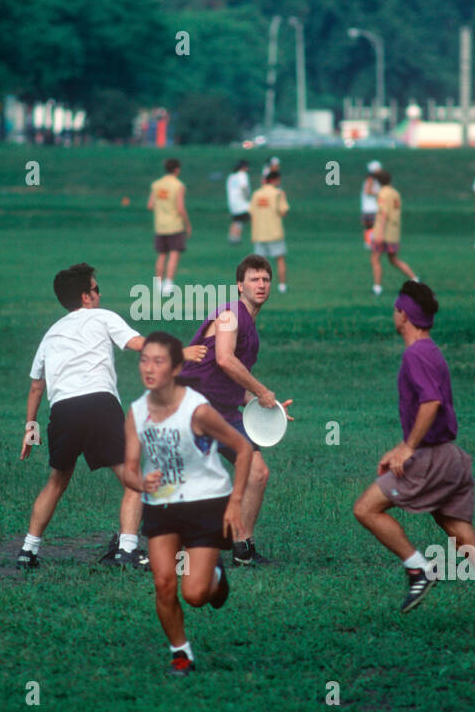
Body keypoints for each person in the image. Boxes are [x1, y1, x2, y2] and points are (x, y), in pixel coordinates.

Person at [351, 282, 475, 636]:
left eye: (395, 309)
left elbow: (431, 402)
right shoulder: (431, 350)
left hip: (431, 459)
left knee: (365, 509)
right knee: (464, 537)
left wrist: (408, 449)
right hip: (450, 456)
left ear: (403, 315)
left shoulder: (414, 354)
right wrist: (402, 445)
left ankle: (419, 569)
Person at [121, 332, 253, 675]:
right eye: (144, 360)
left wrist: (236, 501)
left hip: (206, 502)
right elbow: (130, 472)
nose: (149, 368)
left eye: (158, 361)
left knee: (194, 594)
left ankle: (216, 575)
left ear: (177, 368)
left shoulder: (197, 409)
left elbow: (243, 448)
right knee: (163, 582)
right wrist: (140, 482)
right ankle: (181, 653)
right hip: (162, 506)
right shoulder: (136, 413)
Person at [20, 263, 149, 569]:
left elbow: (37, 386)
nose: (99, 293)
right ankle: (128, 550)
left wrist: (30, 429)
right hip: (99, 404)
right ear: (86, 297)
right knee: (133, 481)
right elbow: (136, 344)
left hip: (63, 410)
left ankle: (28, 550)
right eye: (96, 288)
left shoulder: (51, 333)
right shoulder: (102, 317)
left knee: (56, 482)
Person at [177, 255, 291, 566]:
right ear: (239, 285)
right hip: (193, 406)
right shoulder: (229, 315)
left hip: (224, 411)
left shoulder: (248, 321)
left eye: (266, 279)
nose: (262, 284)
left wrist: (269, 407)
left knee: (258, 472)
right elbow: (225, 359)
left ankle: (243, 548)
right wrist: (261, 391)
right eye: (254, 279)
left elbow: (222, 376)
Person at [369, 169, 420, 295]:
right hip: (394, 231)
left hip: (384, 231)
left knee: (375, 258)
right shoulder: (394, 192)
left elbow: (384, 214)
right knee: (393, 259)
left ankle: (377, 287)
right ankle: (414, 279)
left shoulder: (383, 194)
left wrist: (379, 234)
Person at [148, 158, 190, 297]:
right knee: (174, 254)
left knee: (161, 254)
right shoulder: (178, 185)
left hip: (160, 225)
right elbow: (180, 207)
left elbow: (150, 205)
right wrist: (187, 224)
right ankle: (168, 285)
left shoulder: (156, 184)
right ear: (177, 169)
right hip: (174, 225)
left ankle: (158, 285)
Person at [249, 168, 290, 293]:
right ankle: (282, 285)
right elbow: (283, 211)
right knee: (280, 260)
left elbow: (251, 212)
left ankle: (259, 287)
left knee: (260, 264)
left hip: (259, 233)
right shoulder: (278, 193)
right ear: (276, 180)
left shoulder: (256, 194)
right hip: (274, 233)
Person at [226, 160, 251, 245]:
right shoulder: (242, 175)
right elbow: (244, 188)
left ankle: (233, 237)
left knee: (237, 220)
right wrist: (248, 197)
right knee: (254, 217)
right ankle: (259, 235)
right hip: (242, 202)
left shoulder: (231, 176)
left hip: (233, 202)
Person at [360, 160, 382, 251]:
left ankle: (369, 243)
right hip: (371, 207)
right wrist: (380, 194)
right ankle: (370, 243)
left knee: (369, 227)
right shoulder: (371, 179)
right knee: (372, 226)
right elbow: (368, 191)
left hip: (368, 207)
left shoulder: (372, 179)